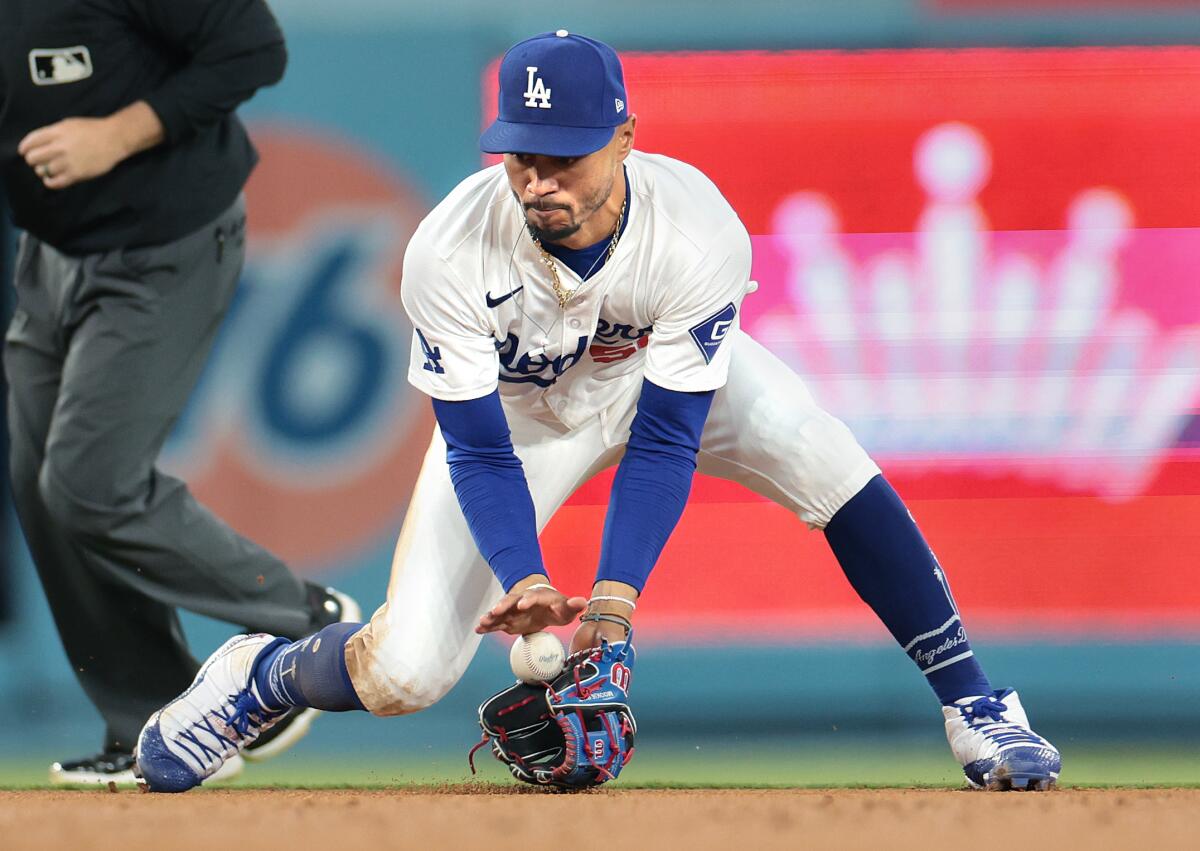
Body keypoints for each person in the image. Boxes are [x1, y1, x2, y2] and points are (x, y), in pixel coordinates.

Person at [135, 30, 1061, 793]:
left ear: (624, 139)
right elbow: (479, 451)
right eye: (521, 156)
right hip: (520, 426)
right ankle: (263, 676)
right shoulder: (449, 253)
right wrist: (524, 575)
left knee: (822, 453)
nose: (538, 181)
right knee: (408, 671)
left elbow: (665, 437)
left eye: (564, 155)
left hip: (653, 385)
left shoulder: (695, 227)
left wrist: (610, 613)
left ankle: (978, 702)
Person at [0, 0, 358, 785]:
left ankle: (302, 620)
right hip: (50, 253)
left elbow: (254, 49)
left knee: (92, 482)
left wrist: (116, 132)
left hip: (162, 247)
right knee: (39, 485)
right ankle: (158, 720)